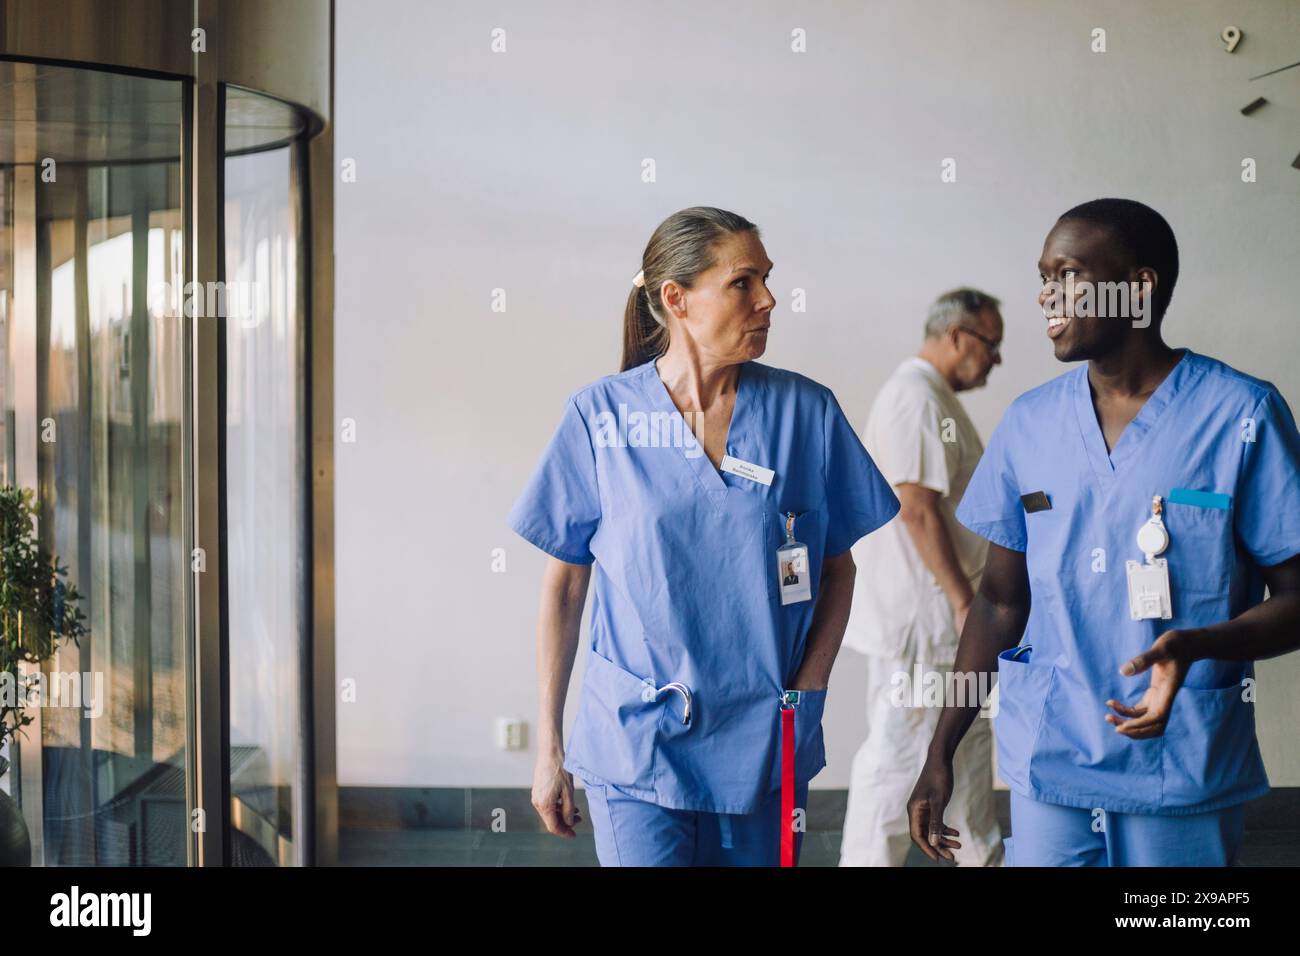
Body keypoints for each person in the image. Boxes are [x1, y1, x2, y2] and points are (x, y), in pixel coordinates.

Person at [908, 198, 1300, 867]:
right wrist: (939, 750)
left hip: (1180, 762)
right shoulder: (1031, 425)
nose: (1045, 295)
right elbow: (1001, 602)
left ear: (1139, 288)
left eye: (1068, 276)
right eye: (1044, 276)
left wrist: (1199, 644)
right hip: (1051, 761)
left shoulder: (1241, 413)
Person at [508, 206, 899, 866]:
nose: (769, 299)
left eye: (767, 280)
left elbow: (838, 569)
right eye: (744, 282)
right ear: (676, 299)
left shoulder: (807, 413)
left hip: (764, 743)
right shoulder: (600, 417)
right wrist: (547, 746)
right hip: (636, 742)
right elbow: (565, 588)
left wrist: (807, 692)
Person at [839, 288, 1006, 867]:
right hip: (928, 623)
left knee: (966, 753)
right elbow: (915, 506)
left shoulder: (931, 398)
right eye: (991, 345)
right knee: (897, 762)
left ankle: (981, 857)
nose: (996, 360)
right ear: (957, 336)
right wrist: (965, 603)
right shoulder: (914, 397)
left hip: (944, 624)